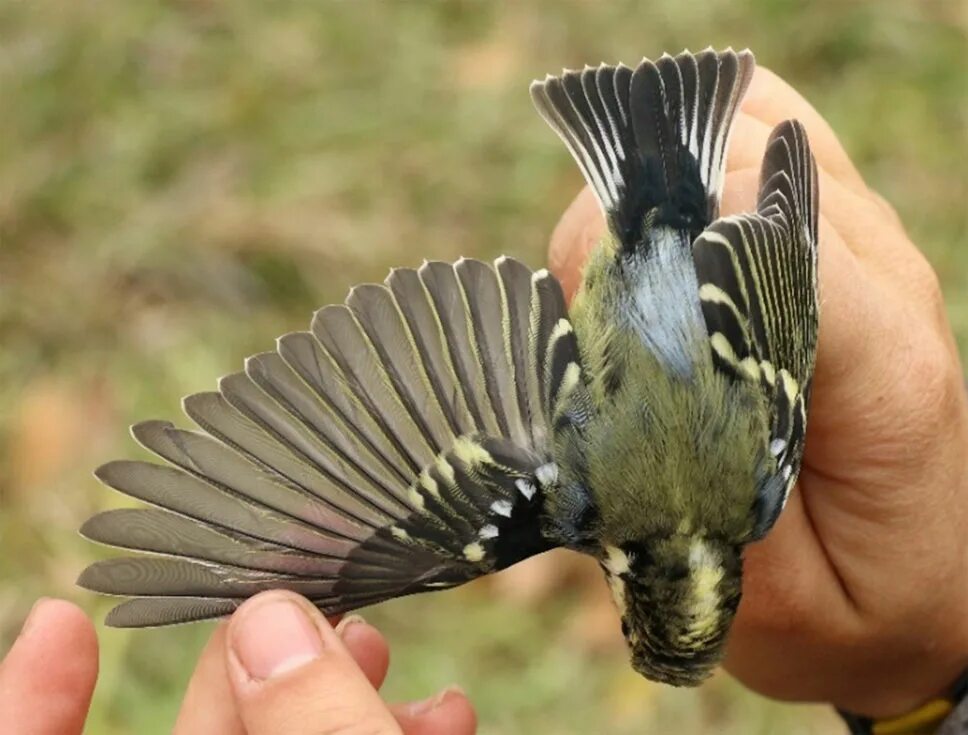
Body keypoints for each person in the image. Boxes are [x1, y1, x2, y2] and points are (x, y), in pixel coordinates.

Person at [3, 65, 965, 735]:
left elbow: (779, 345)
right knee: (437, 547)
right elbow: (404, 500)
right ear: (636, 596)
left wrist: (781, 226)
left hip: (689, 235)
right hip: (644, 267)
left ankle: (658, 147)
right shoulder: (577, 505)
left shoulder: (759, 492)